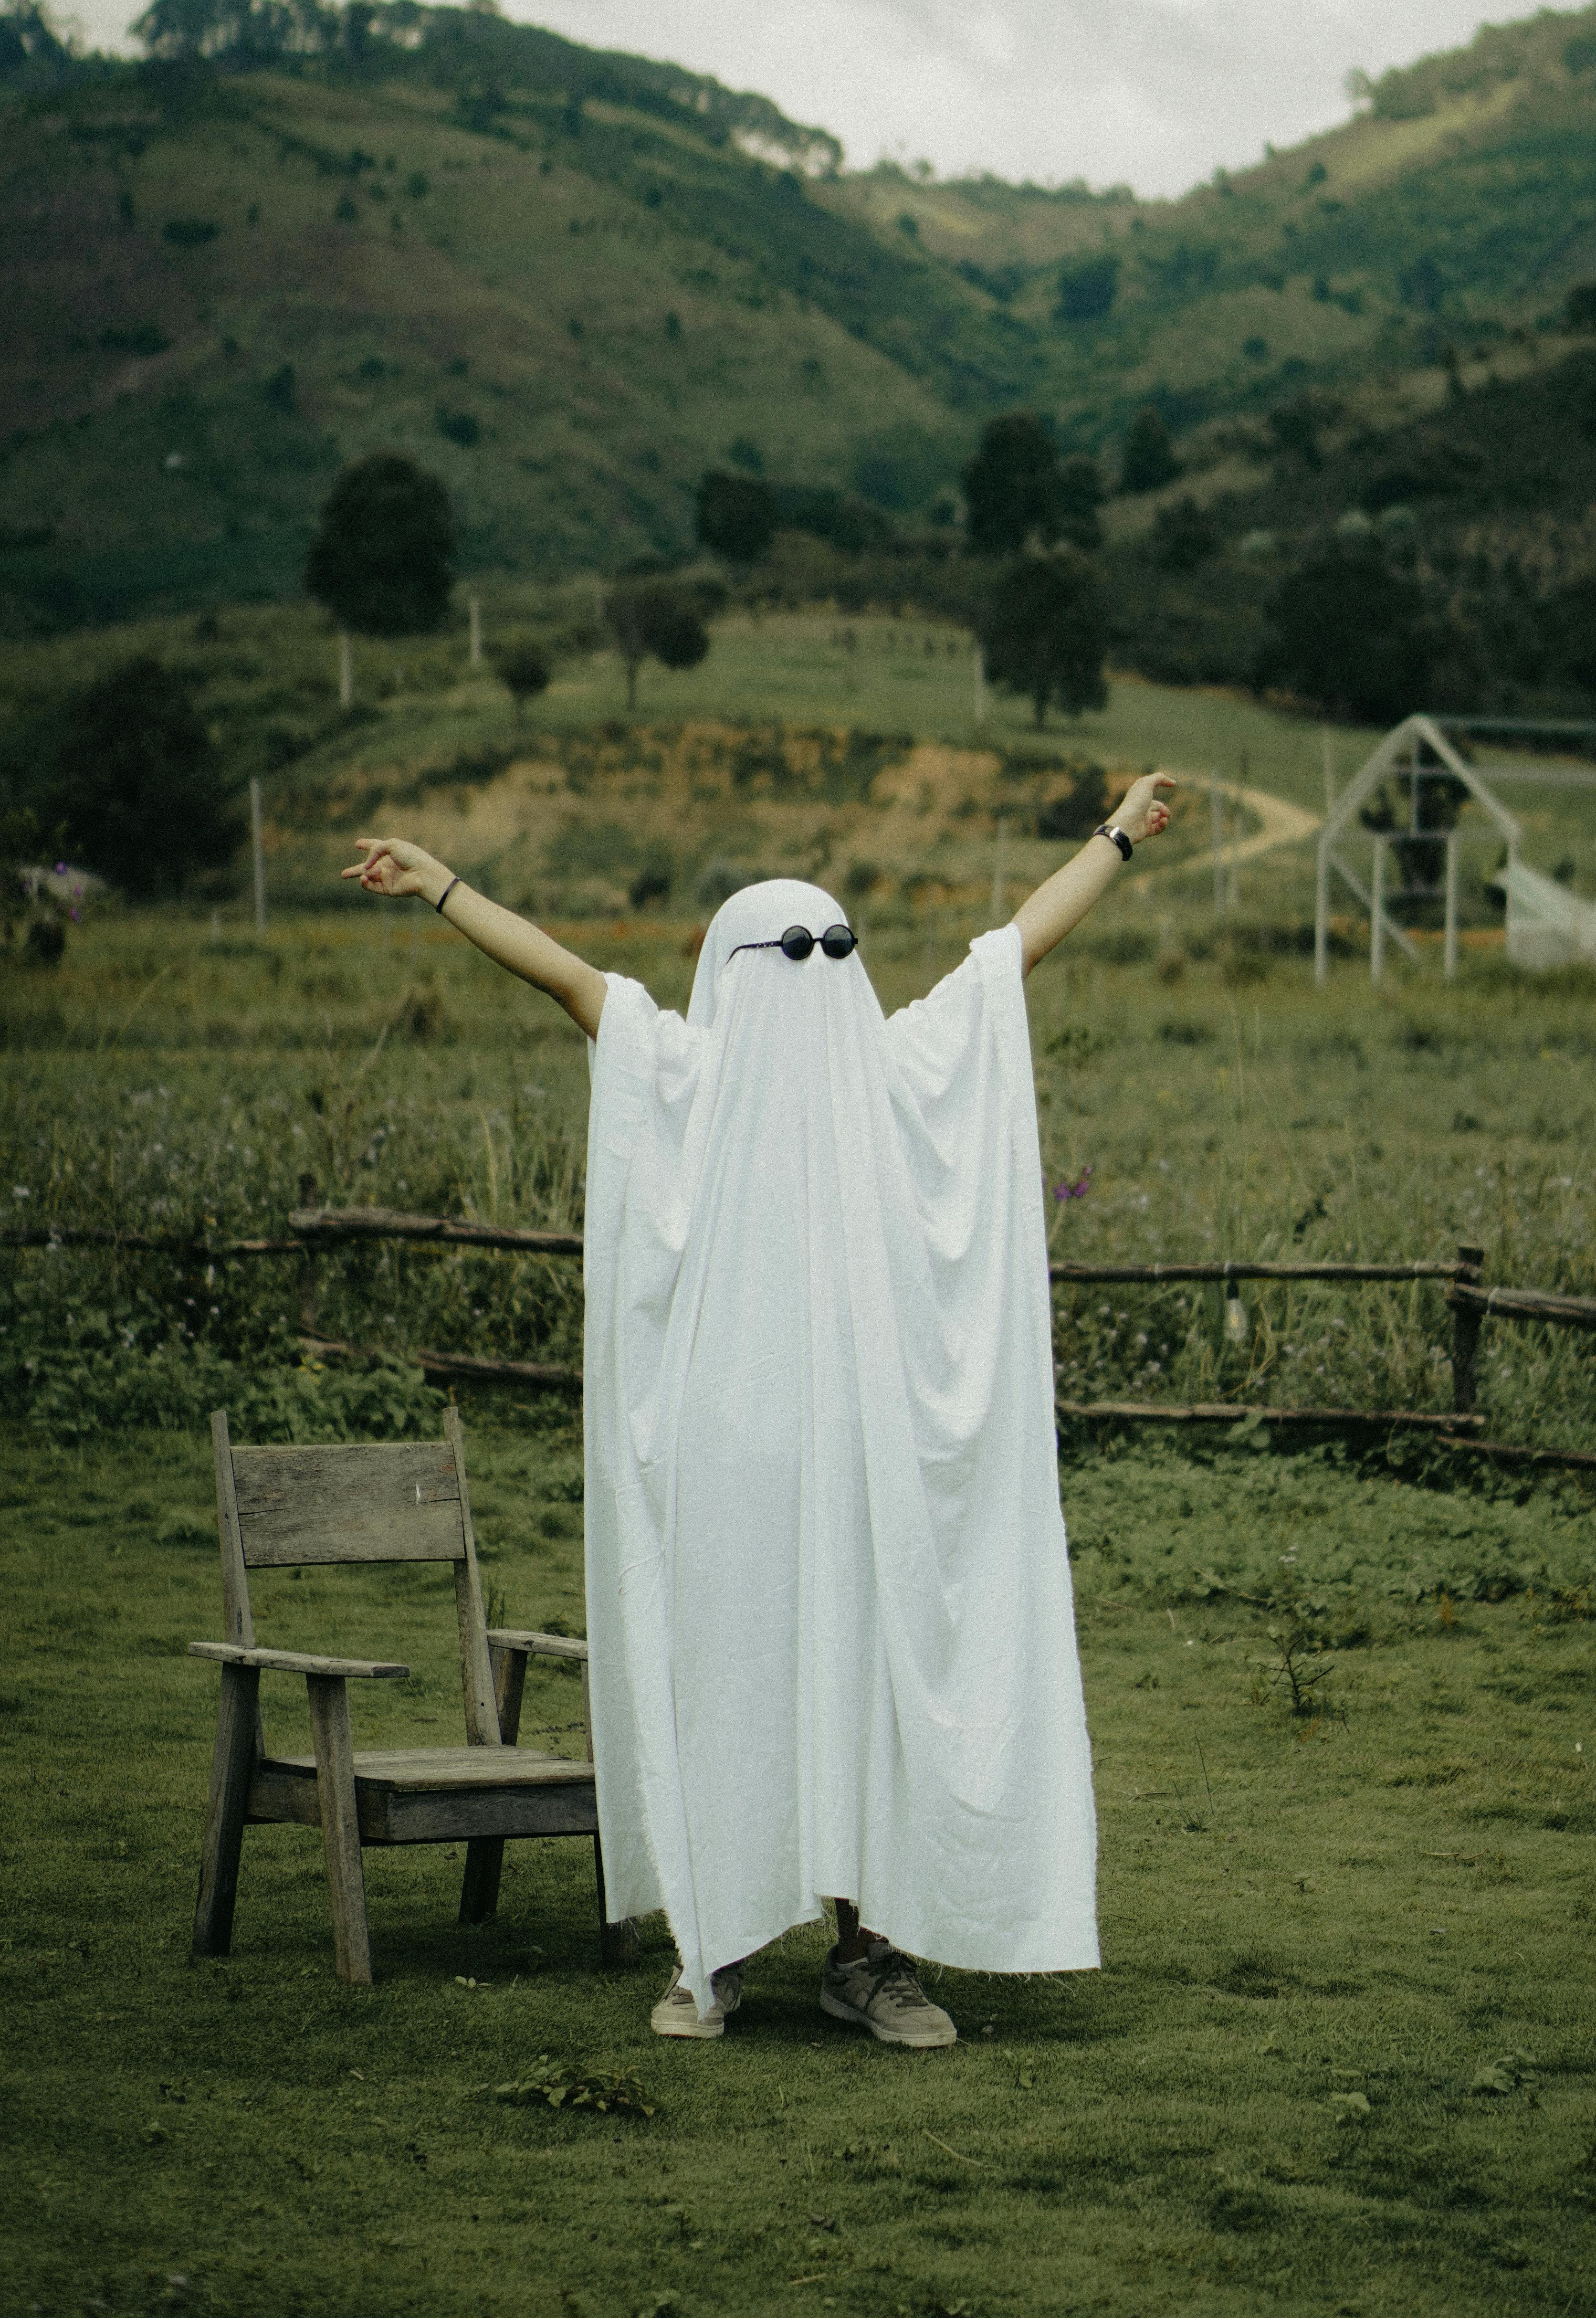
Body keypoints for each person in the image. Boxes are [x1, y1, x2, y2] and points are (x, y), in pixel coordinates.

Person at [343, 768, 1174, 2046]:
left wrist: (1117, 836)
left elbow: (1012, 954)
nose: (814, 973)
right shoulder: (687, 1074)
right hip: (726, 1476)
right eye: (794, 950)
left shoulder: (891, 1068)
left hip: (862, 1477)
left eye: (833, 949)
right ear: (736, 967)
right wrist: (441, 883)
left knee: (866, 1703)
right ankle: (711, 1953)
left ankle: (869, 1957)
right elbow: (565, 976)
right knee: (729, 1691)